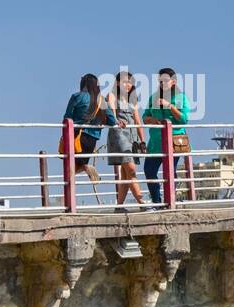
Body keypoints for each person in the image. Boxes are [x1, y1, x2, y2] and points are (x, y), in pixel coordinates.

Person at [142, 68, 193, 205]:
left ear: (173, 82)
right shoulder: (153, 97)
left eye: (165, 81)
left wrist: (169, 106)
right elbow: (144, 117)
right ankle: (156, 201)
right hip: (155, 143)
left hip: (173, 142)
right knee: (149, 170)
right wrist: (153, 120)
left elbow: (183, 120)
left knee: (170, 171)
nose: (162, 83)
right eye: (160, 81)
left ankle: (170, 200)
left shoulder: (181, 98)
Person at [103, 70, 146, 207]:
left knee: (125, 172)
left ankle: (119, 206)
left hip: (132, 136)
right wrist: (116, 121)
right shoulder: (112, 96)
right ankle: (143, 203)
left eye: (130, 83)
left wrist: (142, 140)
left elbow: (138, 120)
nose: (128, 85)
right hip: (119, 135)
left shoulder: (132, 99)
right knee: (131, 169)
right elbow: (111, 114)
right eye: (125, 82)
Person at [63, 73, 113, 184]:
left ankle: (86, 168)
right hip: (92, 140)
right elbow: (112, 121)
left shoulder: (77, 96)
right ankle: (65, 198)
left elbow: (67, 118)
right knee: (74, 169)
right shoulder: (102, 101)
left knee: (69, 169)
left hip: (76, 137)